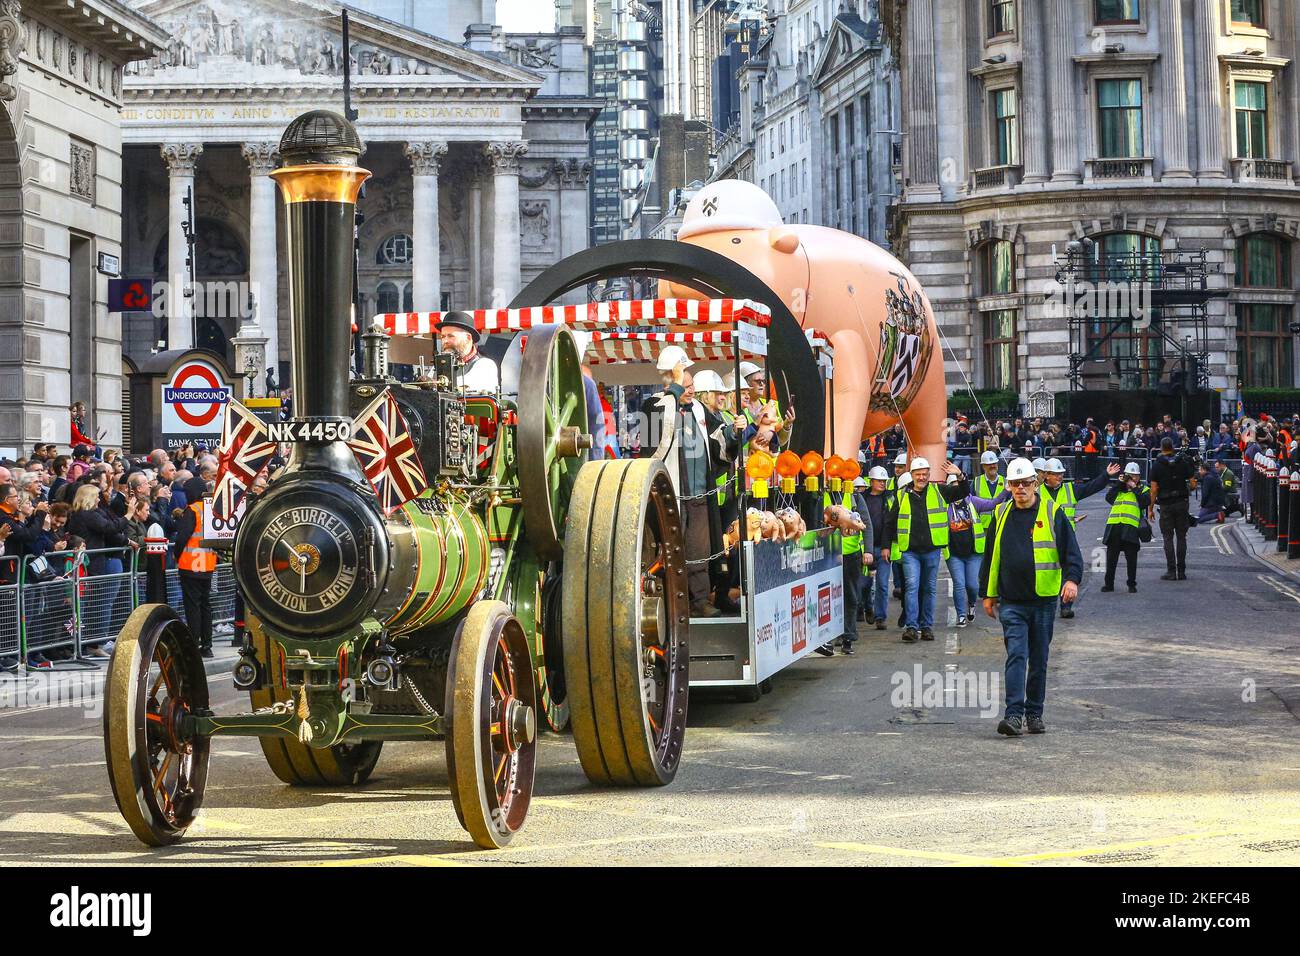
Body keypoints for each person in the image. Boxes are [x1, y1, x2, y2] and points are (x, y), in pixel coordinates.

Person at [979, 457, 1083, 737]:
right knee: (1016, 655)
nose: (1020, 489)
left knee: (1039, 659)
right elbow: (990, 556)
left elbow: (1071, 551)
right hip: (1012, 601)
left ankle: (1034, 713)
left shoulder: (1052, 512)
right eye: (1015, 484)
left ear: (1035, 484)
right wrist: (987, 594)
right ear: (1009, 486)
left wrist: (1071, 579)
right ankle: (1013, 715)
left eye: (1026, 483)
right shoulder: (1001, 515)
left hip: (1044, 600)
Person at [886, 457, 969, 643]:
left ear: (929, 475)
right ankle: (912, 627)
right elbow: (889, 522)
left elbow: (964, 492)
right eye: (918, 474)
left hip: (931, 550)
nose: (922, 477)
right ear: (912, 475)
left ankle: (926, 627)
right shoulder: (901, 495)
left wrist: (960, 475)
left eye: (924, 474)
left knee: (929, 588)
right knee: (913, 586)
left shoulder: (939, 491)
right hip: (910, 551)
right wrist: (886, 547)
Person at [1040, 457, 1117, 617]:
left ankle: (1066, 606)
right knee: (1047, 572)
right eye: (1056, 474)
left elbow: (1091, 487)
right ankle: (1045, 604)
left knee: (1068, 572)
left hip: (1066, 540)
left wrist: (1106, 475)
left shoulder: (1070, 489)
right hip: (1044, 540)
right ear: (1046, 475)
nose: (1060, 477)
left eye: (1061, 473)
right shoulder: (1037, 493)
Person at [175, 476, 216, 658]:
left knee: (192, 606)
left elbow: (182, 537)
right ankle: (207, 645)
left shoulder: (192, 510)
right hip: (207, 564)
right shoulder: (211, 510)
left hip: (190, 564)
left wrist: (177, 555)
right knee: (206, 605)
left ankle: (194, 643)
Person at [1148, 436, 1194, 581]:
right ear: (1172, 447)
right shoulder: (1182, 462)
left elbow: (1154, 489)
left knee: (1168, 537)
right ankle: (1182, 571)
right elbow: (1193, 483)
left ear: (1161, 447)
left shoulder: (1157, 465)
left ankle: (1171, 571)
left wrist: (1150, 508)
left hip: (1166, 504)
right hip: (1181, 502)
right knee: (1181, 537)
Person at [1101, 462, 1150, 593]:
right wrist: (1119, 483)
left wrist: (1134, 487)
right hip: (1115, 526)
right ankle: (1109, 584)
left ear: (1139, 477)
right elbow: (1108, 498)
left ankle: (1132, 584)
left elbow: (1145, 502)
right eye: (1130, 476)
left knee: (1131, 558)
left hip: (1131, 528)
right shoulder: (1119, 489)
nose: (1132, 478)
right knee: (1111, 558)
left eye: (1135, 476)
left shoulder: (1143, 489)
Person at [435, 310, 498, 393]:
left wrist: (433, 383)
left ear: (468, 338)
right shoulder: (438, 366)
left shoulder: (486, 365)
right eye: (443, 336)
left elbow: (469, 383)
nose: (445, 341)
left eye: (451, 336)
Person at [862, 466, 892, 631]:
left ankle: (880, 617)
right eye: (879, 481)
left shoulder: (889, 498)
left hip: (883, 548)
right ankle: (868, 607)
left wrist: (887, 546)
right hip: (866, 548)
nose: (882, 484)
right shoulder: (862, 498)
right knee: (865, 584)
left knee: (882, 584)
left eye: (884, 481)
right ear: (871, 481)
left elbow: (890, 523)